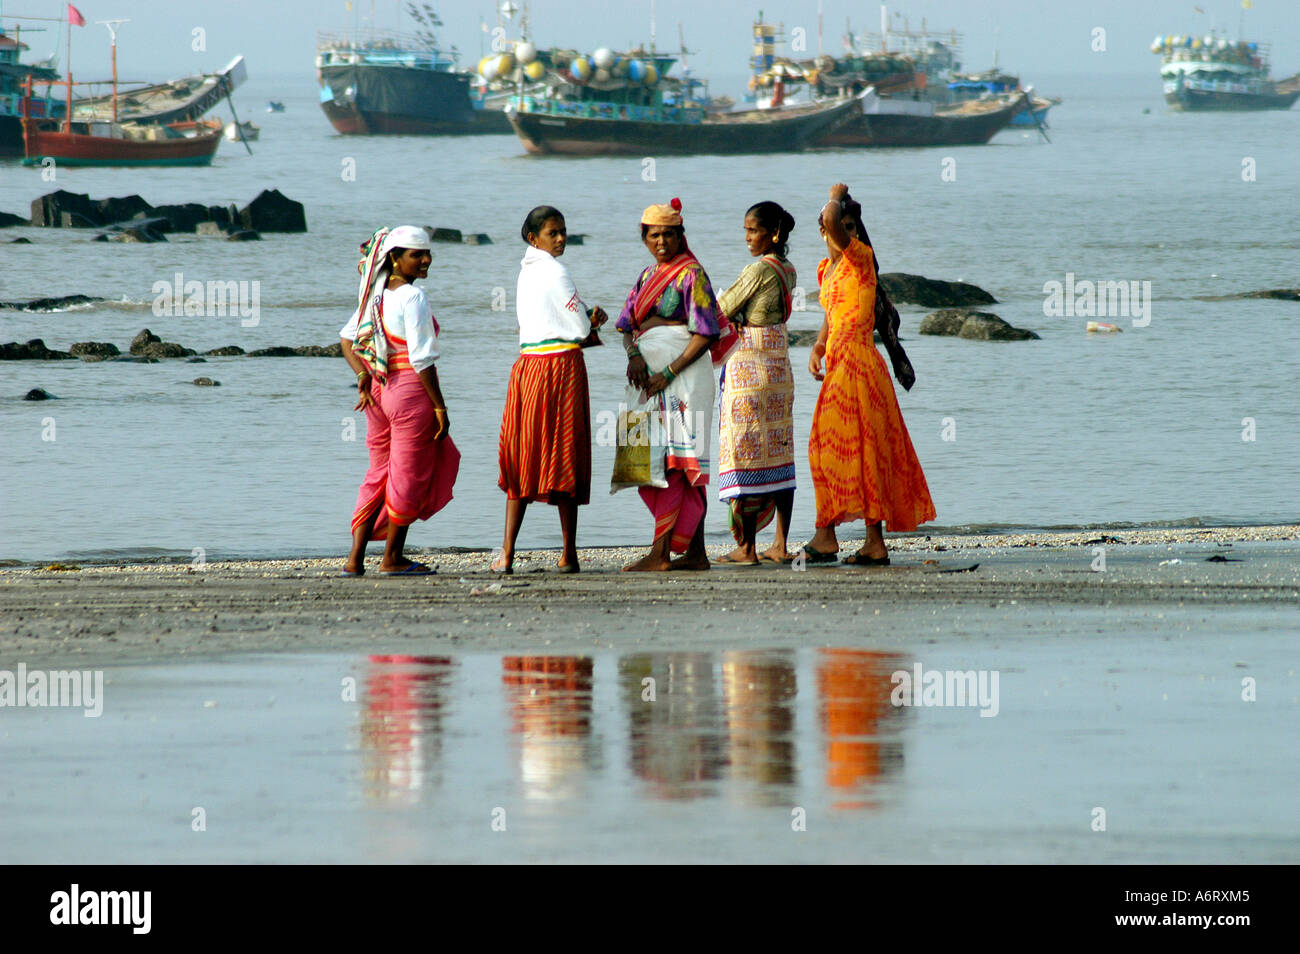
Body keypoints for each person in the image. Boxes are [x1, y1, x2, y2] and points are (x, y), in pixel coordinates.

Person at [804, 183, 935, 565]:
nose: (841, 232)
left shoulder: (861, 259)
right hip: (839, 364)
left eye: (849, 227)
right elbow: (832, 314)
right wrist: (817, 346)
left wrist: (834, 195)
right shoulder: (827, 270)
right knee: (826, 449)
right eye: (834, 228)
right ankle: (828, 535)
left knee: (864, 451)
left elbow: (831, 217)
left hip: (860, 365)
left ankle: (868, 542)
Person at [493, 206, 608, 574]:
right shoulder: (557, 271)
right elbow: (577, 325)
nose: (561, 239)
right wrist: (591, 320)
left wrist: (584, 321)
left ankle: (507, 554)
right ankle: (568, 553)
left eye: (563, 232)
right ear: (534, 237)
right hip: (561, 369)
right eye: (553, 233)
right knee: (565, 453)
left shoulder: (525, 272)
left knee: (523, 454)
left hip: (528, 367)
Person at [340, 225, 459, 576]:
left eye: (427, 254)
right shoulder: (412, 297)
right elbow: (422, 358)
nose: (425, 260)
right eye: (415, 255)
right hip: (409, 391)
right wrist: (440, 406)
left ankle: (355, 559)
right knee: (409, 473)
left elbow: (347, 342)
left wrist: (363, 374)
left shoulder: (374, 294)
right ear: (394, 257)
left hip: (378, 389)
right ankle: (392, 558)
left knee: (378, 473)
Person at [614, 197, 723, 572]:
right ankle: (697, 553)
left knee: (677, 463)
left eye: (669, 234)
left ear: (681, 235)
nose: (662, 241)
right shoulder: (646, 277)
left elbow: (706, 333)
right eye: (654, 235)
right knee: (646, 456)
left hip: (684, 378)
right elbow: (626, 327)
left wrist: (670, 372)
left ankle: (660, 554)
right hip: (646, 379)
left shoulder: (693, 275)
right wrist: (634, 356)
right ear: (644, 237)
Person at [714, 201, 799, 565]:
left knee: (742, 450)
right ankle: (780, 544)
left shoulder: (757, 270)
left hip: (749, 372)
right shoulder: (787, 269)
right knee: (780, 450)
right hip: (779, 371)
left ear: (773, 234)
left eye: (753, 230)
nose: (747, 237)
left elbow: (722, 310)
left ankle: (746, 547)